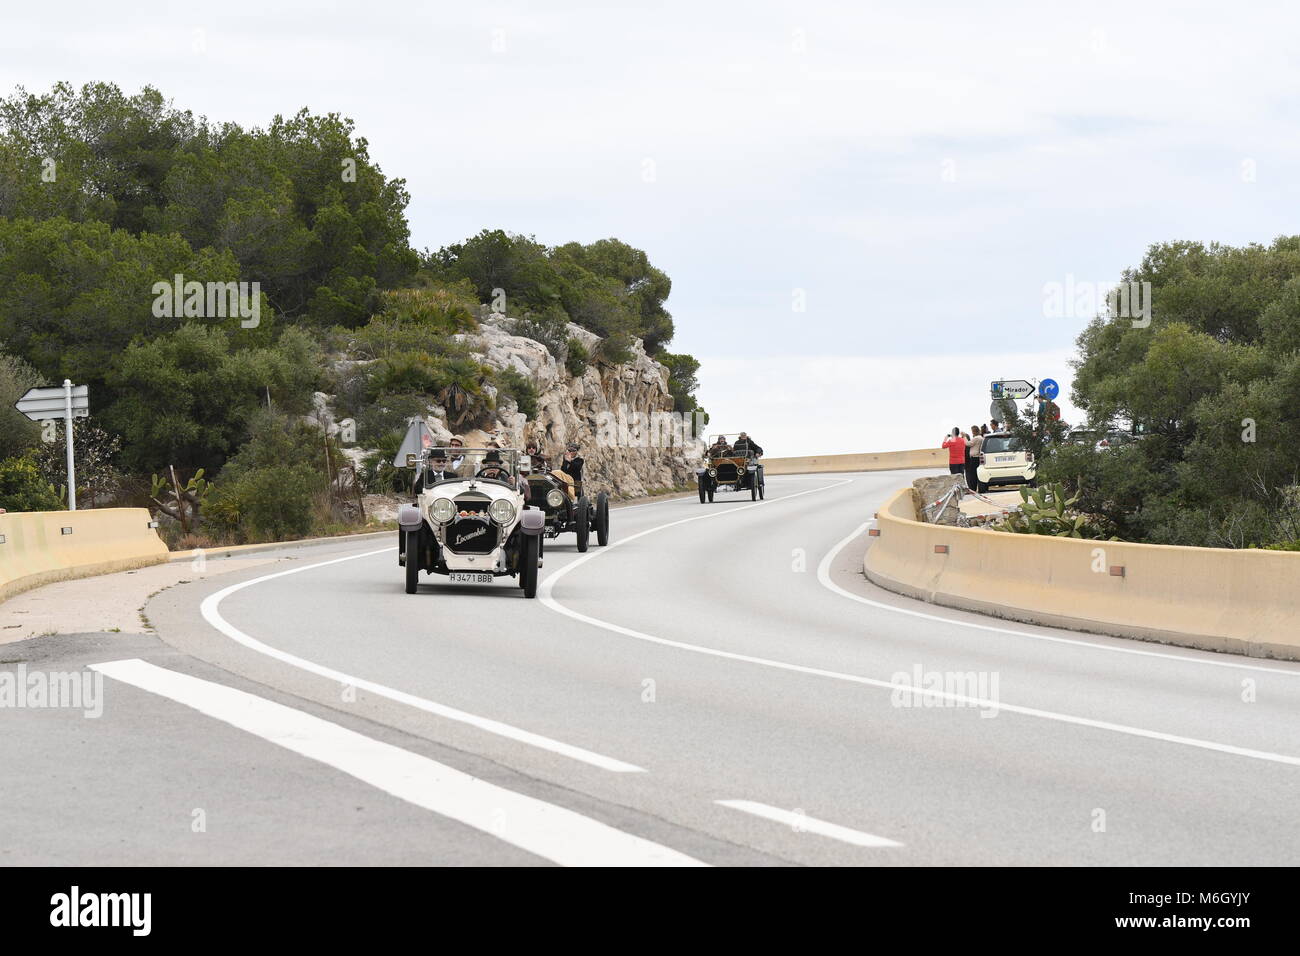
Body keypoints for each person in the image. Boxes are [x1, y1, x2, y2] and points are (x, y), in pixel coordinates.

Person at [965, 425, 984, 491]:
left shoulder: (976, 438)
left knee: (973, 474)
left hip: (974, 458)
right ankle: (978, 488)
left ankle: (973, 488)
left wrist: (964, 436)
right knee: (976, 473)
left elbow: (968, 443)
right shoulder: (981, 437)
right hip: (977, 457)